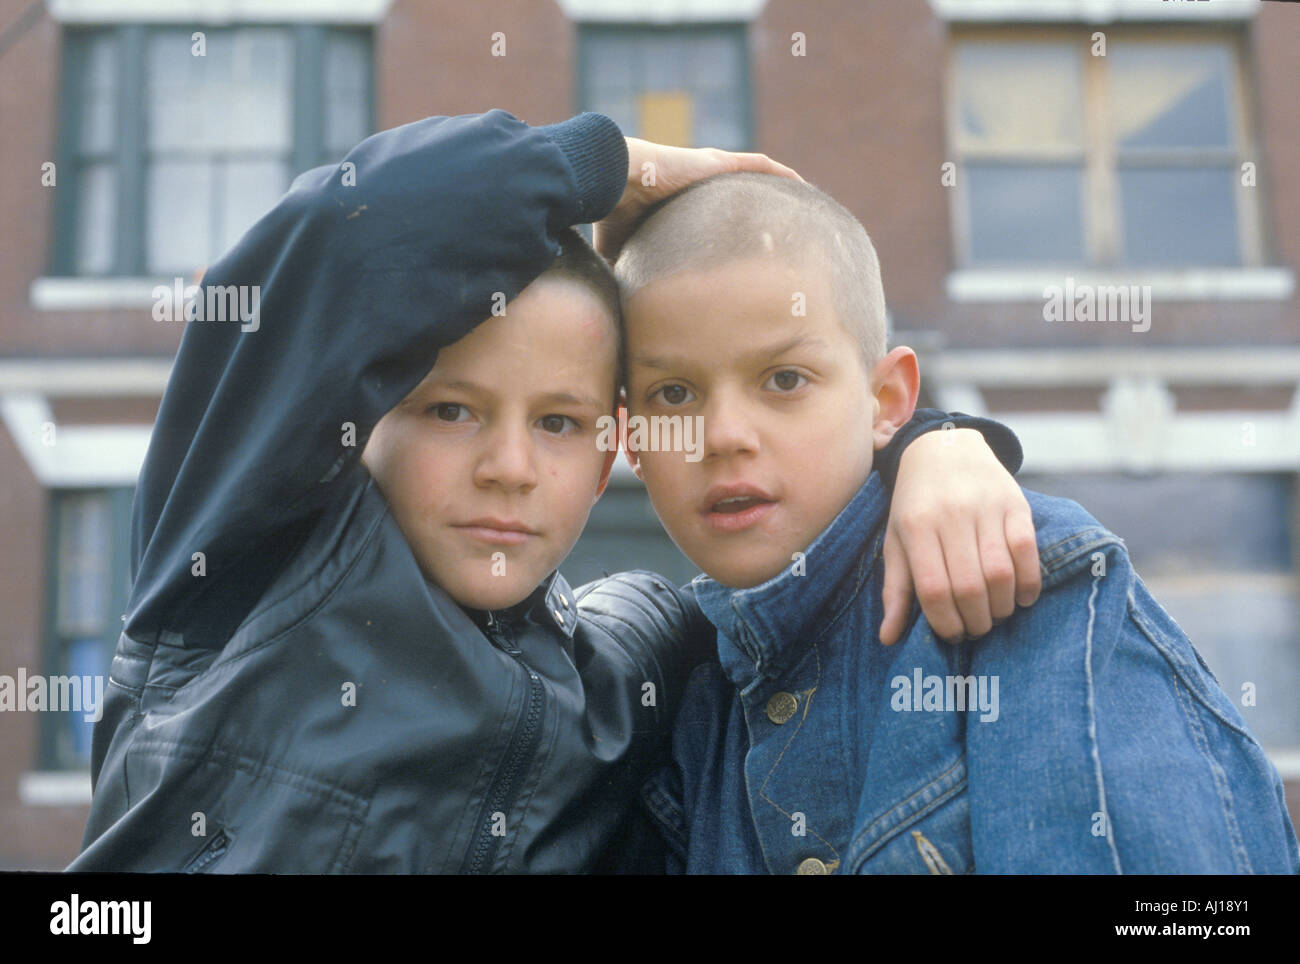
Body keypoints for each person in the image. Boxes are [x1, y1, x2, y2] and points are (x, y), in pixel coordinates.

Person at [69, 112, 1032, 873]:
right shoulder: (253, 556)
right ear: (362, 419)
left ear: (619, 442)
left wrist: (933, 448)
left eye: (558, 423)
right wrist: (612, 165)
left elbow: (804, 563)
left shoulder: (626, 670)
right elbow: (342, 239)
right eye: (451, 411)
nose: (510, 466)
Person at [615, 171, 1300, 874]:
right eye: (674, 393)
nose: (724, 434)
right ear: (631, 437)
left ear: (888, 401)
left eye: (785, 379)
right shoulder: (670, 705)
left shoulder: (1025, 586)